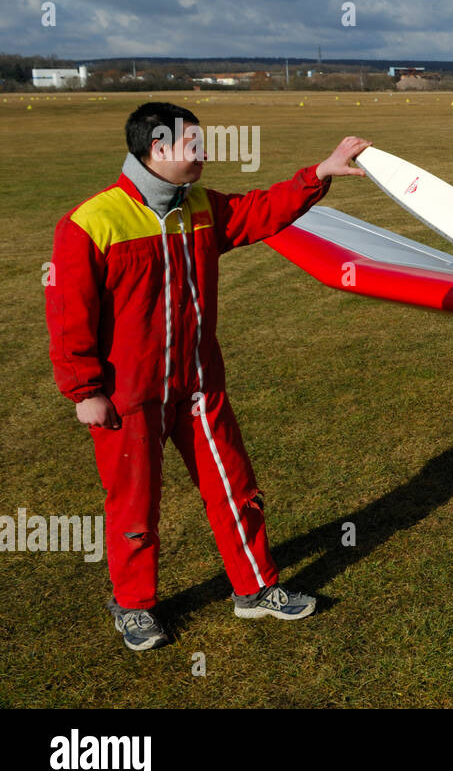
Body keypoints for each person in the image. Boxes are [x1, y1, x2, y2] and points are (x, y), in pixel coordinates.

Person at [45, 101, 370, 651]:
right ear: (158, 149)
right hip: (129, 394)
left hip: (199, 384)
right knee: (134, 503)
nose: (204, 154)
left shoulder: (201, 206)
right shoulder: (90, 222)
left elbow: (258, 211)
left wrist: (317, 175)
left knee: (234, 486)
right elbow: (69, 314)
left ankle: (256, 588)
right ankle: (134, 605)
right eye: (194, 145)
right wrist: (85, 391)